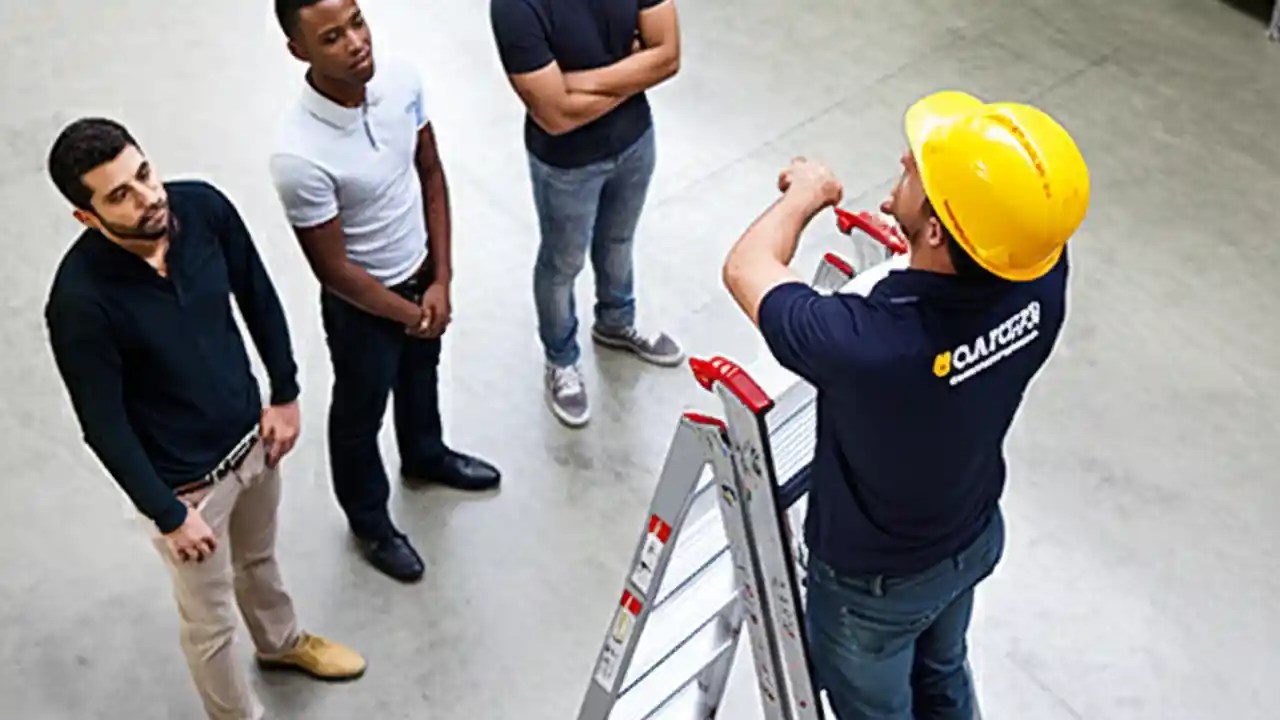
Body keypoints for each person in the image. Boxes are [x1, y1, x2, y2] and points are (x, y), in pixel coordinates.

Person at [722, 91, 1090, 719]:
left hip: (873, 589)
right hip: (968, 536)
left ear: (940, 231)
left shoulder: (870, 345)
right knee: (943, 669)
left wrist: (805, 192)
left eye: (920, 169)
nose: (904, 158)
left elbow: (746, 266)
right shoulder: (1042, 276)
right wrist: (918, 236)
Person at [43, 117, 366, 720]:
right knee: (210, 622)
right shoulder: (80, 303)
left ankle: (281, 645)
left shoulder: (204, 210)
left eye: (144, 174)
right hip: (186, 490)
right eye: (120, 195)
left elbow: (257, 295)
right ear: (87, 217)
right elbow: (102, 423)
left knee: (260, 560)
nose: (148, 198)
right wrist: (169, 516)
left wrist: (286, 393)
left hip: (254, 442)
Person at [269, 0, 501, 583]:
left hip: (423, 280)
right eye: (331, 37)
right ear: (300, 52)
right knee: (359, 411)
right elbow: (334, 270)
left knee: (422, 374)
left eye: (356, 21)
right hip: (364, 307)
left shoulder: (401, 81)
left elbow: (430, 174)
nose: (355, 42)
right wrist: (408, 313)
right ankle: (369, 519)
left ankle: (425, 454)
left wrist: (441, 279)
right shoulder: (299, 155)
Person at [489, 0, 685, 427]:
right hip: (566, 164)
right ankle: (561, 358)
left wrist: (577, 83)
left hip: (635, 141)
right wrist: (635, 70)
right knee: (563, 263)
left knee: (618, 241)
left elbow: (669, 56)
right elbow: (556, 116)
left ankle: (616, 323)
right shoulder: (514, 8)